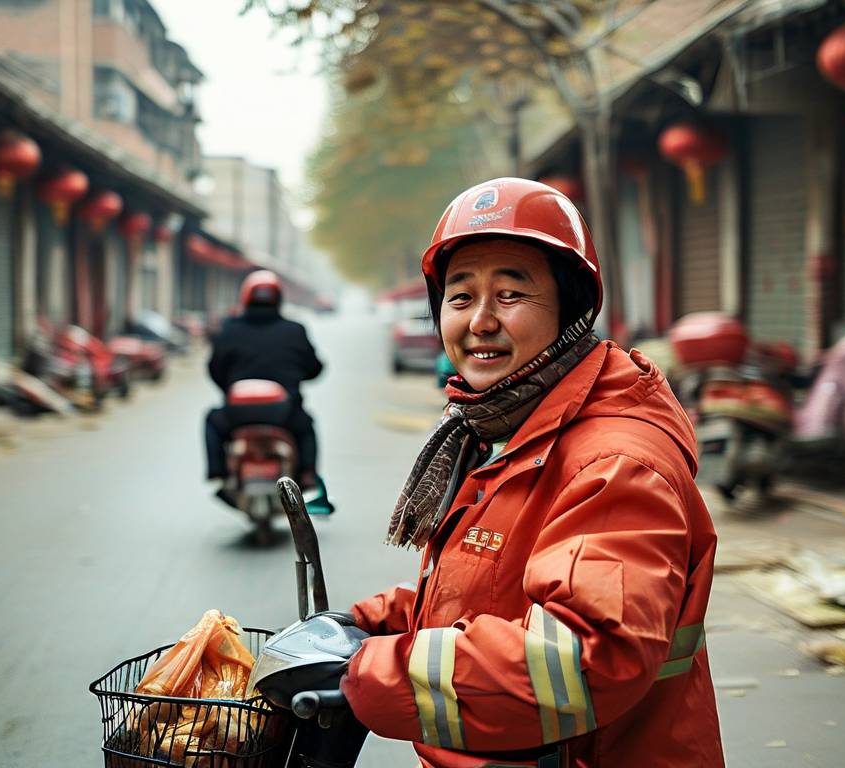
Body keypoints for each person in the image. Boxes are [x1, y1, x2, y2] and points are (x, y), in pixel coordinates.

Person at [340, 178, 723, 766]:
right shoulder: (509, 433)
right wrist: (364, 625)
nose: (481, 322)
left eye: (512, 295)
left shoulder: (615, 465)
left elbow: (586, 658)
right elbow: (495, 595)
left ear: (571, 312)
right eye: (461, 297)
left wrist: (370, 672)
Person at [204, 269, 324, 491]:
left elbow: (215, 369)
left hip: (237, 415)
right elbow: (314, 368)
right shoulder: (295, 330)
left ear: (245, 298)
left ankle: (218, 471)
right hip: (285, 414)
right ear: (278, 299)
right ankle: (307, 474)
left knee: (212, 421)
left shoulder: (229, 330)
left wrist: (229, 390)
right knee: (306, 428)